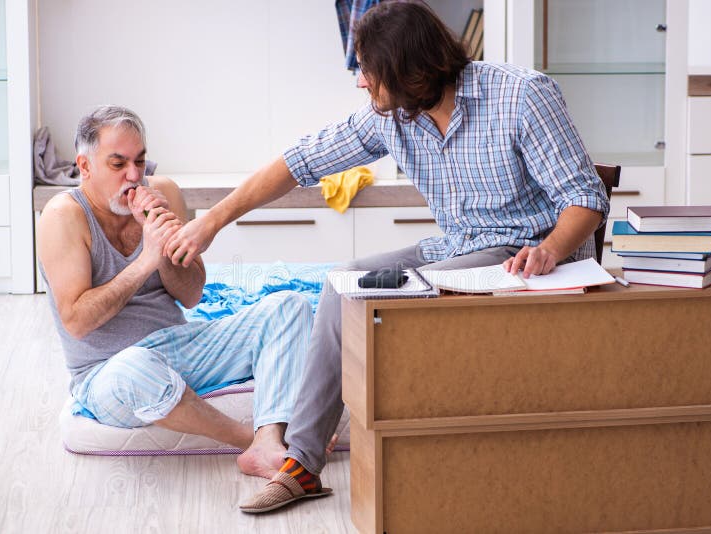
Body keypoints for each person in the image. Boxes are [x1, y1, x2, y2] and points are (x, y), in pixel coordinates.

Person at [164, 0, 610, 513]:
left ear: (411, 70)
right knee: (340, 282)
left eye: (369, 70)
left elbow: (584, 197)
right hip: (460, 247)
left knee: (399, 294)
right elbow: (299, 161)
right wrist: (211, 221)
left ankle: (411, 449)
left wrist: (550, 249)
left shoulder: (522, 95)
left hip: (525, 255)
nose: (361, 82)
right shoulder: (393, 116)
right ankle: (302, 463)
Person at [37, 105, 315, 479]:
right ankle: (250, 440)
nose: (134, 176)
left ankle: (272, 434)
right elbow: (77, 321)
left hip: (181, 347)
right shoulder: (63, 216)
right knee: (135, 368)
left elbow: (192, 296)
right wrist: (146, 259)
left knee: (290, 306)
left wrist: (167, 246)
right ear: (85, 167)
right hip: (110, 372)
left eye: (140, 161)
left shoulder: (164, 192)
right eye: (118, 165)